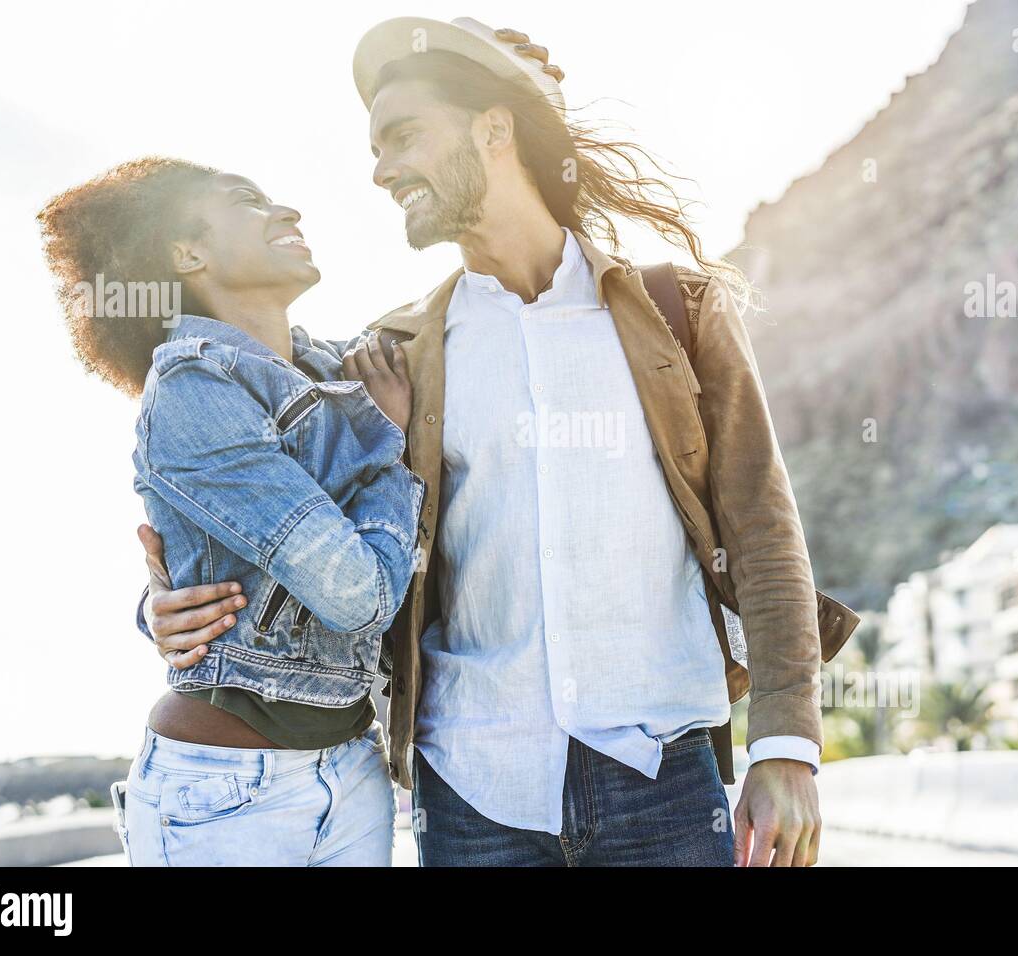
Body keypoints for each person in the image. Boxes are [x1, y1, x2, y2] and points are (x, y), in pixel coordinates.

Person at [141, 17, 825, 867]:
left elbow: (764, 532)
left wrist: (787, 742)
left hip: (663, 780)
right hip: (469, 796)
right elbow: (264, 510)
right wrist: (168, 608)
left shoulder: (677, 313)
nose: (382, 170)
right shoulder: (391, 357)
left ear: (494, 129)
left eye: (402, 137)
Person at [38, 159, 421, 865]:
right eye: (248, 201)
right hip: (224, 793)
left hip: (354, 769)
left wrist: (155, 606)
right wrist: (389, 453)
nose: (289, 212)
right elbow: (358, 594)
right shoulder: (192, 383)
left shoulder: (342, 372)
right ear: (188, 254)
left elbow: (234, 553)